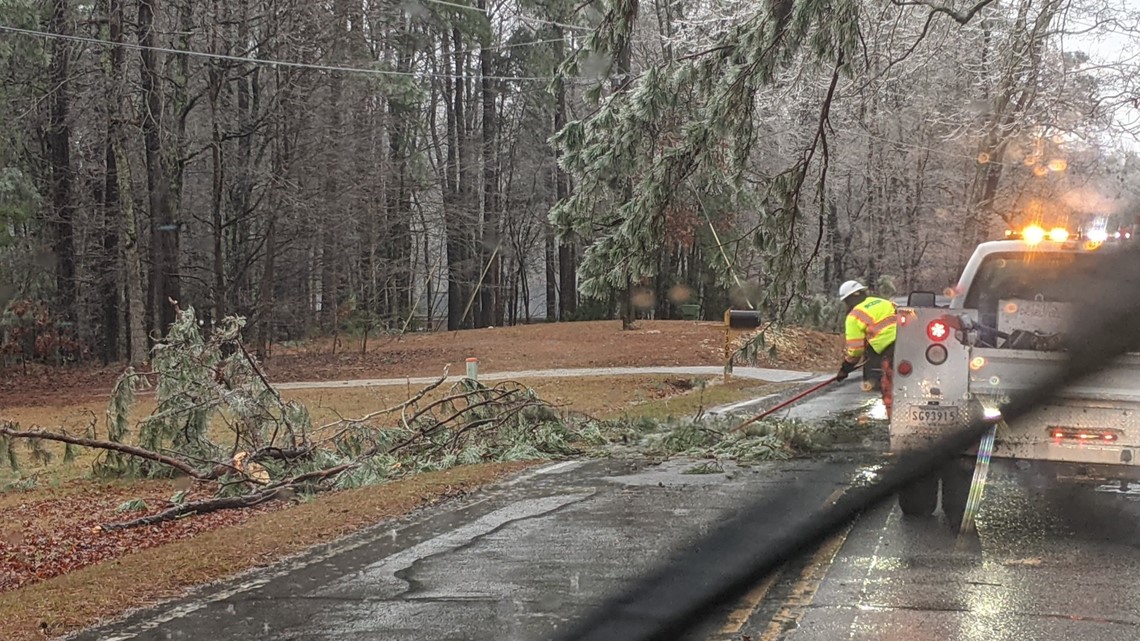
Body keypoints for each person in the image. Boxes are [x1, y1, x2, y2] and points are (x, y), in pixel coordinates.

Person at [835, 280, 898, 417]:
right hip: (912, 344)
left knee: (889, 388)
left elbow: (856, 351)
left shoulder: (854, 316)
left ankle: (895, 421)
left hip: (890, 351)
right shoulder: (884, 302)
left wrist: (845, 369)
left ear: (849, 299)